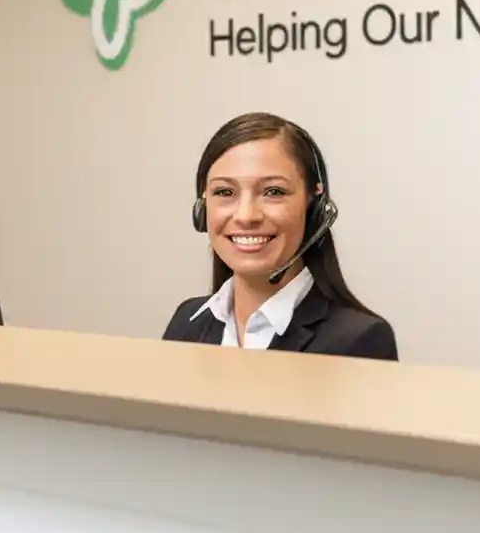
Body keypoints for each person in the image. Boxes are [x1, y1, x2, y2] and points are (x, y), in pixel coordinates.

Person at [163, 112, 398, 361]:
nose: (246, 216)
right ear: (202, 209)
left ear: (316, 208)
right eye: (225, 191)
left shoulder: (359, 339)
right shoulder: (187, 322)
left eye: (273, 191)